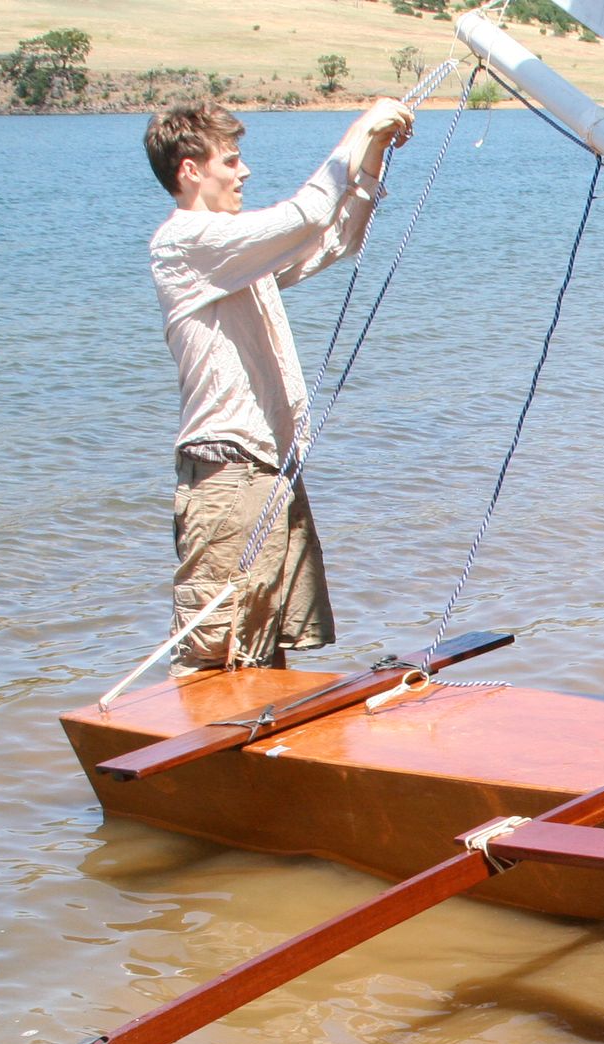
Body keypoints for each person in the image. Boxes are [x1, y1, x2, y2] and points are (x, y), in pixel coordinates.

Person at [143, 98, 414, 672]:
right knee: (217, 659)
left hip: (267, 470)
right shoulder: (185, 240)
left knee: (264, 651)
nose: (243, 172)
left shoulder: (234, 252)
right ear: (190, 171)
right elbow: (308, 213)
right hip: (227, 474)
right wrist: (361, 128)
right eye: (230, 161)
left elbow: (336, 240)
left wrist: (371, 155)